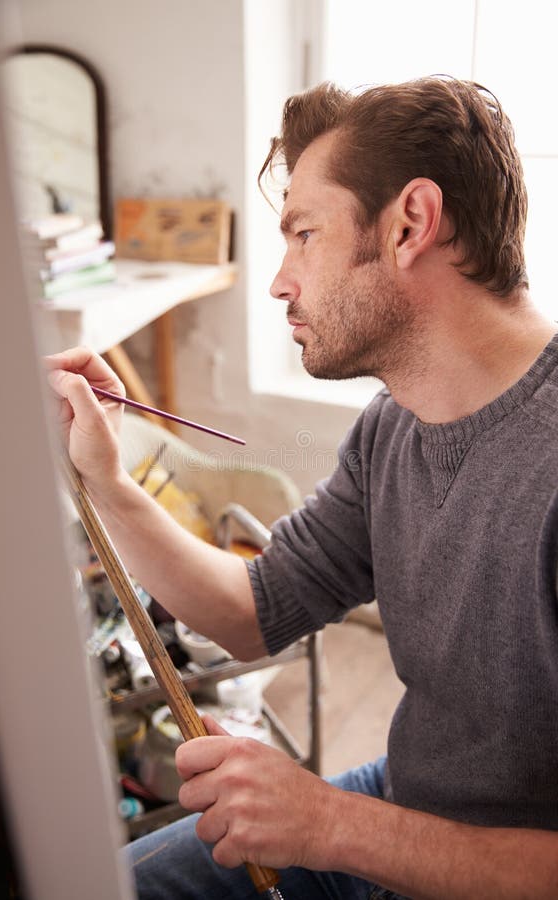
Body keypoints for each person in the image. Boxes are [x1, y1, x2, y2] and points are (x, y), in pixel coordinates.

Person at [46, 76, 558, 899]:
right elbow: (255, 612)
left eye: (305, 235)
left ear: (410, 224)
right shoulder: (393, 428)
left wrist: (329, 825)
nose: (280, 282)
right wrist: (106, 477)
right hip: (409, 806)